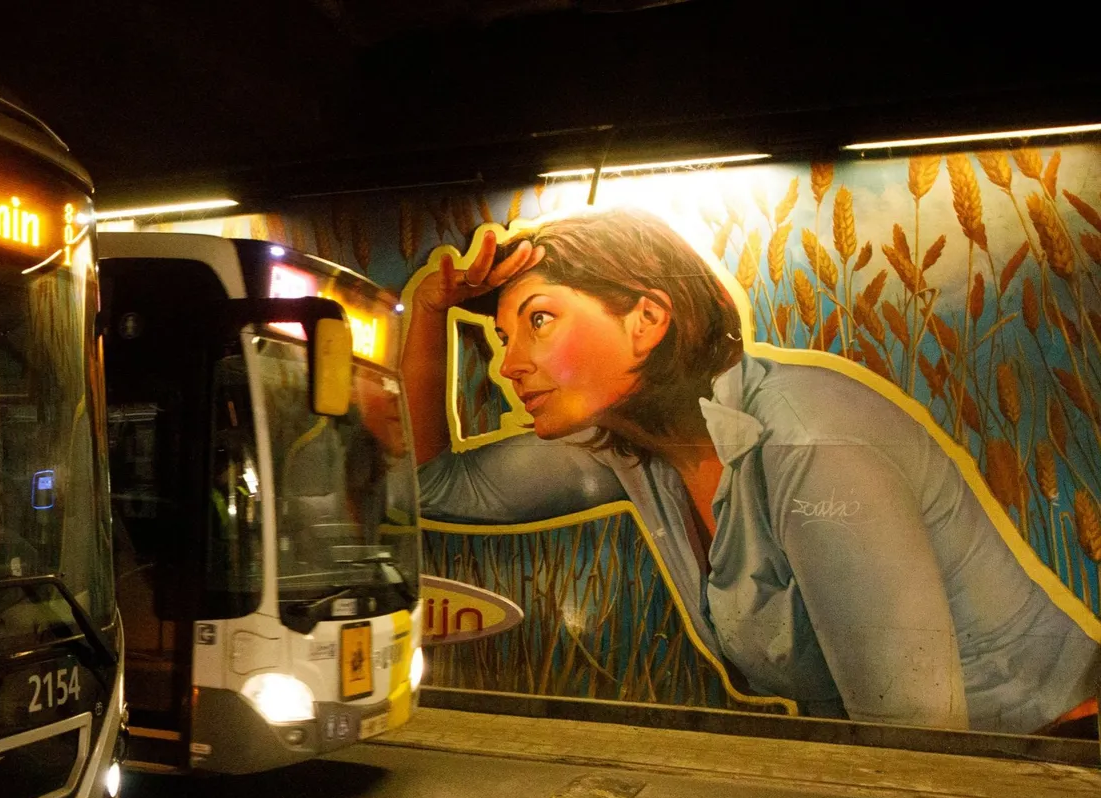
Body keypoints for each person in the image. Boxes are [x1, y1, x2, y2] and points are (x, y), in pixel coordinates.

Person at [403, 207, 1101, 735]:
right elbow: (430, 486)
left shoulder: (810, 449)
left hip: (1052, 760)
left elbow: (915, 739)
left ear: (647, 318)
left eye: (540, 320)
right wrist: (430, 309)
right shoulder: (635, 448)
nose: (509, 361)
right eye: (503, 336)